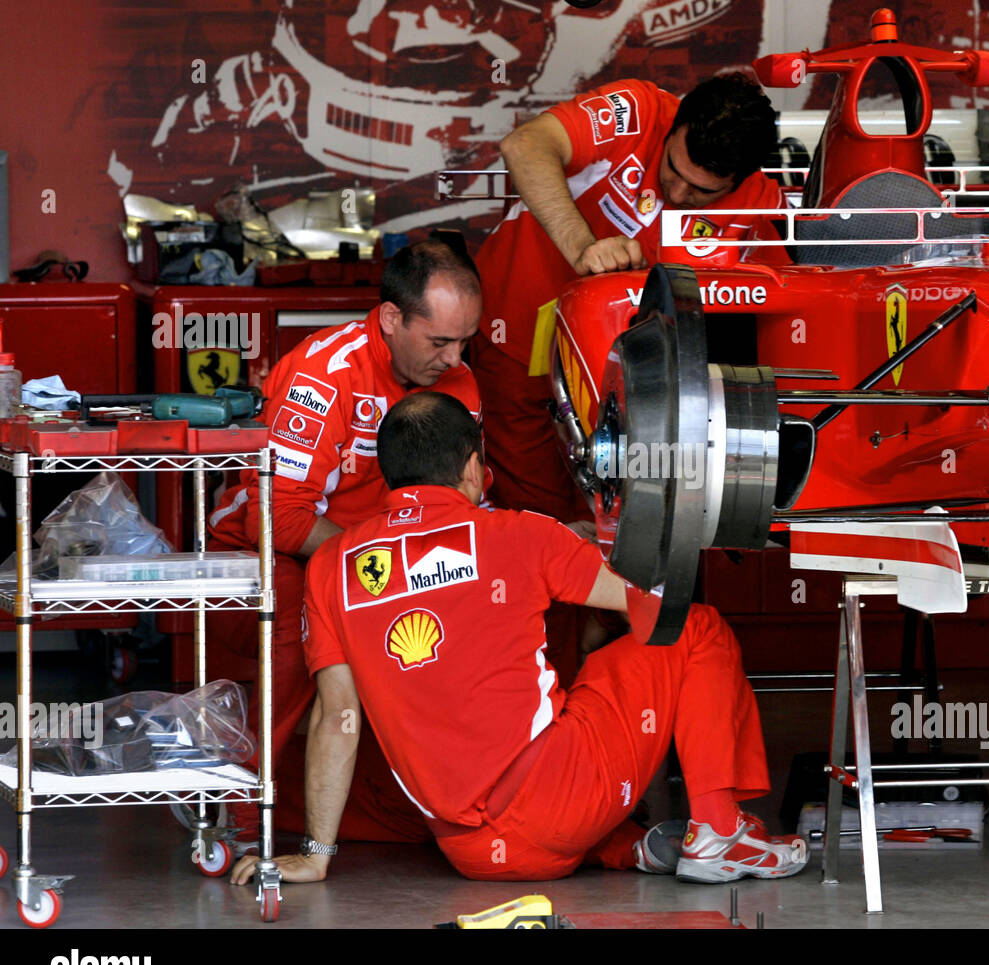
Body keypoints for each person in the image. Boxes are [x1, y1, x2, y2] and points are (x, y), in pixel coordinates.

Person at [231, 391, 807, 885]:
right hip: (557, 803)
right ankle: (716, 829)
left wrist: (315, 855)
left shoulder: (330, 566)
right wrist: (602, 596)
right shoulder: (518, 532)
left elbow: (339, 720)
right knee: (697, 628)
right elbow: (652, 607)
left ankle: (626, 846)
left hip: (469, 853)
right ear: (471, 467)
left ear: (389, 473)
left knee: (564, 709)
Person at [208, 240, 484, 844]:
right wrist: (384, 564)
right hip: (263, 556)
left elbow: (465, 505)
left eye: (466, 341)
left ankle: (475, 796)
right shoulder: (323, 375)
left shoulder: (457, 382)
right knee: (297, 613)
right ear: (391, 319)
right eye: (440, 342)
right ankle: (243, 805)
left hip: (384, 560)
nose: (456, 358)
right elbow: (274, 519)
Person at [472, 72, 783, 522]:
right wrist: (583, 247)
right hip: (519, 346)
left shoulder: (758, 205)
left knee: (632, 525)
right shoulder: (635, 111)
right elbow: (524, 146)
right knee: (538, 522)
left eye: (702, 191)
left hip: (643, 394)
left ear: (741, 180)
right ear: (676, 123)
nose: (677, 193)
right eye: (673, 169)